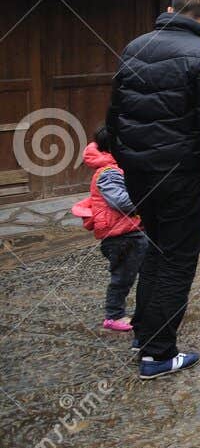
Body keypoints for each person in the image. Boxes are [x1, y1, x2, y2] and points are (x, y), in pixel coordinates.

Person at [107, 0, 200, 379]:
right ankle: (158, 353)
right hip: (178, 173)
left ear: (170, 10)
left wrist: (123, 157)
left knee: (157, 248)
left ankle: (143, 332)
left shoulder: (135, 46)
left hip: (138, 171)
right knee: (177, 258)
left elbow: (114, 113)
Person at [70, 126, 148, 337]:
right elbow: (121, 201)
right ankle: (113, 316)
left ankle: (149, 308)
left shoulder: (117, 168)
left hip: (131, 232)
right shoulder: (108, 173)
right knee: (122, 277)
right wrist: (147, 198)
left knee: (144, 270)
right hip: (120, 236)